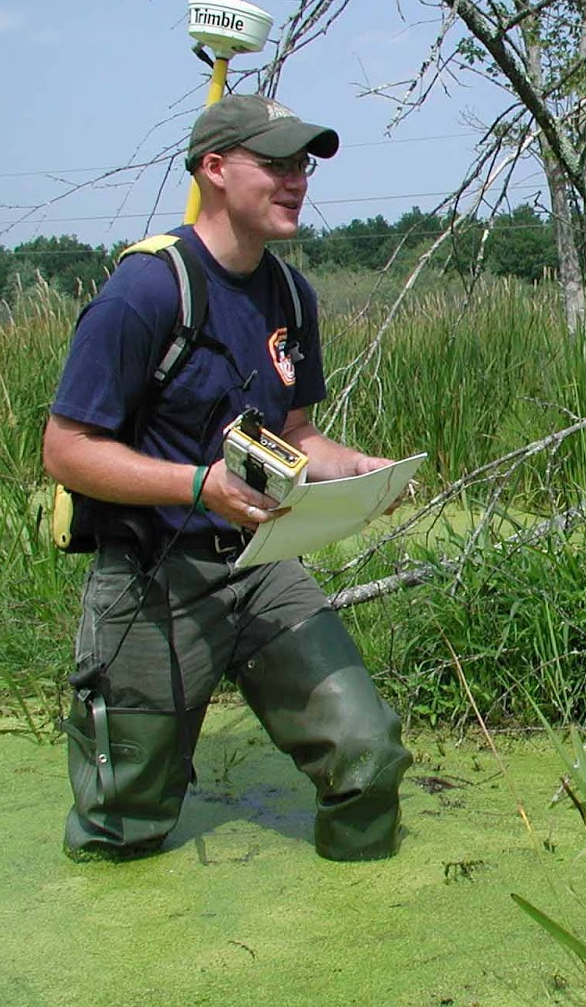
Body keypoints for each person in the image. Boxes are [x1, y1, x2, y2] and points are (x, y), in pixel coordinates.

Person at [43, 93, 412, 863]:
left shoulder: (290, 295)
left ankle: (347, 941)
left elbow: (299, 436)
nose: (296, 181)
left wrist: (365, 471)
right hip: (154, 574)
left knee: (367, 749)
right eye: (274, 163)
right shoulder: (146, 291)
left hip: (261, 566)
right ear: (214, 168)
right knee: (124, 824)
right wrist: (196, 486)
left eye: (301, 165)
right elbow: (67, 450)